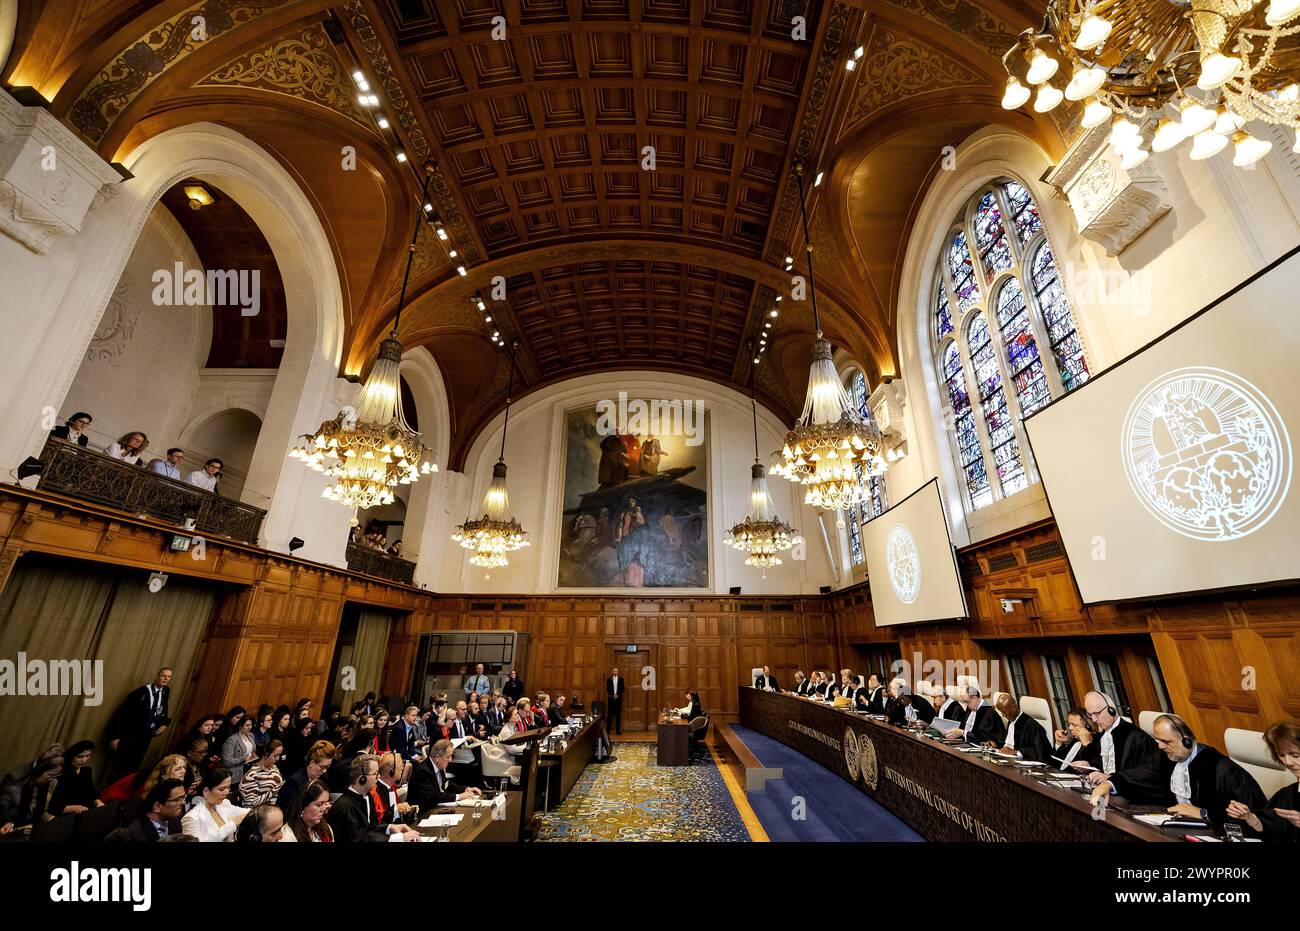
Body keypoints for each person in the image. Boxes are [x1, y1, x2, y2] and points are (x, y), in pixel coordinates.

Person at [1092, 715, 1265, 829]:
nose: (1160, 746)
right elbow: (1141, 774)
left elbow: (1249, 814)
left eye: (1166, 742)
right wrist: (1109, 784)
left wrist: (1202, 813)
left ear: (1187, 741)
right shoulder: (1165, 757)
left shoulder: (1222, 769)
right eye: (1158, 740)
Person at [1227, 721, 1300, 841]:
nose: (1288, 762)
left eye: (1295, 755)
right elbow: (1272, 828)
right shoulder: (1287, 795)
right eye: (1281, 755)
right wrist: (1249, 817)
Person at [104, 667, 172, 783]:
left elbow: (163, 710)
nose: (166, 679)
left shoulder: (165, 691)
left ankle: (124, 794)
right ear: (156, 676)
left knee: (134, 766)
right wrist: (115, 736)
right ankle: (110, 790)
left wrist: (165, 723)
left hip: (146, 736)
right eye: (163, 676)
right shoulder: (140, 692)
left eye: (169, 677)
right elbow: (121, 715)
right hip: (131, 735)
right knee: (120, 765)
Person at [327, 754, 417, 842]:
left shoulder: (367, 796)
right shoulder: (346, 807)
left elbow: (371, 826)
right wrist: (401, 838)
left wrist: (390, 828)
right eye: (375, 773)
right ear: (362, 778)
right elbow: (361, 838)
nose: (378, 776)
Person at [1080, 691, 1161, 787]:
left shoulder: (1137, 737)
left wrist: (1111, 779)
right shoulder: (1104, 734)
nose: (1094, 719)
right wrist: (1088, 764)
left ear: (1111, 710)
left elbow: (1145, 773)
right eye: (1090, 715)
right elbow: (1106, 762)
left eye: (1096, 713)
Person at [407, 739, 482, 812]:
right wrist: (459, 796)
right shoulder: (422, 771)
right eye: (448, 757)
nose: (450, 760)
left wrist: (465, 789)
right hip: (422, 814)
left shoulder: (439, 766)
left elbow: (447, 786)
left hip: (434, 808)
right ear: (437, 757)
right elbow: (433, 797)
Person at [0, 754, 62, 834]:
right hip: (11, 829)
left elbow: (37, 811)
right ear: (40, 770)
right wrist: (10, 825)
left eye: (55, 775)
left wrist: (53, 819)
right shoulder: (16, 785)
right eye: (50, 775)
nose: (51, 779)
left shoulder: (49, 784)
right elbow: (1, 809)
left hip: (30, 829)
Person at [181, 768, 249, 842]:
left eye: (228, 788)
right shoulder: (191, 818)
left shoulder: (224, 803)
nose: (226, 792)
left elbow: (247, 812)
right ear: (206, 791)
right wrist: (232, 825)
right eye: (222, 789)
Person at [993, 693, 1054, 762]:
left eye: (1004, 712)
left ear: (1014, 707)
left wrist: (1016, 752)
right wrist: (995, 744)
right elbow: (1008, 742)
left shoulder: (1032, 726)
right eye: (1001, 712)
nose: (1003, 715)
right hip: (1008, 760)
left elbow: (1041, 753)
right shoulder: (1011, 720)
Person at [278, 741, 334, 815]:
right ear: (311, 763)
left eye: (327, 767)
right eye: (322, 767)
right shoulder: (294, 782)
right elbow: (285, 812)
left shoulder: (323, 778)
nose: (324, 771)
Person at [48, 740, 102, 815]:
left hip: (84, 811)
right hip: (64, 815)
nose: (84, 760)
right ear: (72, 755)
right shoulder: (61, 773)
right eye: (80, 757)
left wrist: (97, 801)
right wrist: (75, 808)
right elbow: (52, 806)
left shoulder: (86, 771)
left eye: (88, 756)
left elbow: (91, 792)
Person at [238, 740, 285, 806]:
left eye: (279, 755)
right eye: (275, 756)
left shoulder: (274, 768)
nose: (278, 759)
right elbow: (250, 803)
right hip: (259, 813)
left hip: (275, 808)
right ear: (266, 754)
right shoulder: (252, 775)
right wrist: (277, 789)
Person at [221, 714, 258, 786]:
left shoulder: (251, 735)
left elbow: (253, 751)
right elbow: (227, 761)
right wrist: (243, 759)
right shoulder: (232, 740)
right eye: (247, 725)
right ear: (240, 726)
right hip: (236, 773)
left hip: (249, 770)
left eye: (251, 725)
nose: (250, 727)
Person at [606, 666, 625, 735]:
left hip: (618, 699)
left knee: (618, 715)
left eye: (616, 671)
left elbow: (622, 688)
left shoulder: (621, 679)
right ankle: (608, 730)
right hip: (611, 699)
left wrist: (617, 695)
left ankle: (618, 730)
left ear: (618, 672)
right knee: (609, 715)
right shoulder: (609, 679)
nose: (615, 672)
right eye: (614, 671)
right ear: (612, 672)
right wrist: (613, 695)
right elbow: (608, 689)